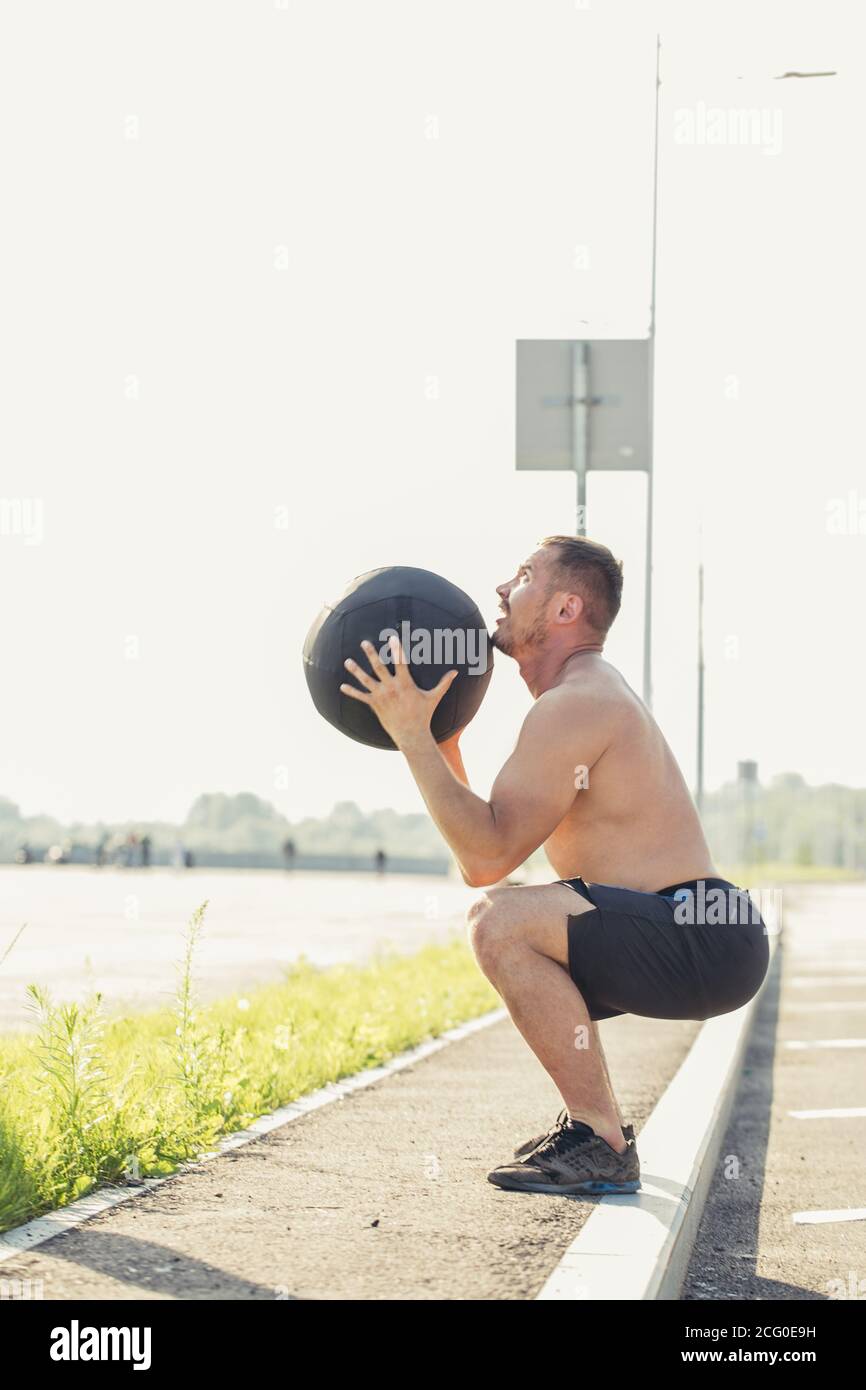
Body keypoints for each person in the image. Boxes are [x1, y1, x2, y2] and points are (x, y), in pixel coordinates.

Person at [339, 534, 770, 1196]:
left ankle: (599, 1138)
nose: (502, 590)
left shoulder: (578, 703)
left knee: (501, 923)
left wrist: (412, 737)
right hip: (690, 932)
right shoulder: (576, 696)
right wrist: (444, 743)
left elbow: (486, 863)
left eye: (523, 576)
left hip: (704, 935)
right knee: (507, 921)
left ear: (566, 608)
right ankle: (594, 1131)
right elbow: (478, 852)